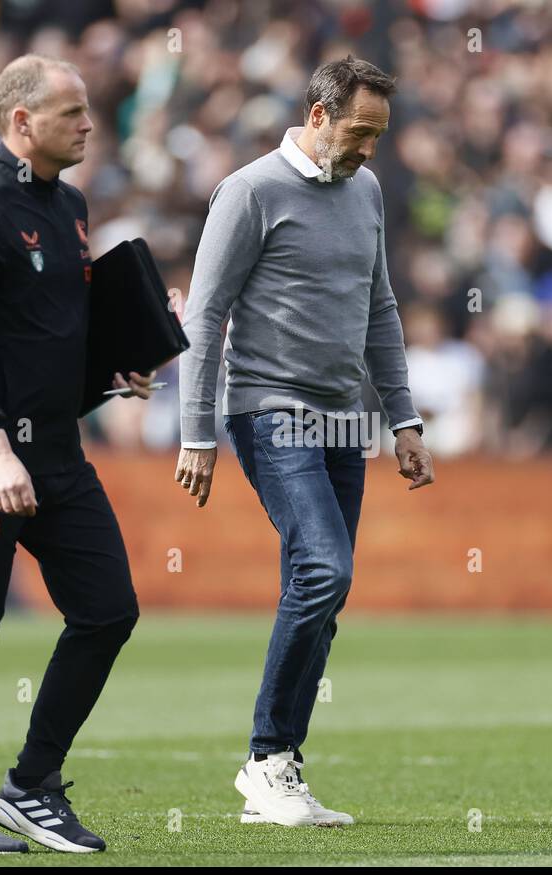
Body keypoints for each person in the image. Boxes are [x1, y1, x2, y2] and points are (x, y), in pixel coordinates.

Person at [175, 55, 435, 827]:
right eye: (360, 132)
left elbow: (380, 308)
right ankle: (264, 762)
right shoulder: (248, 192)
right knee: (324, 568)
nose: (369, 149)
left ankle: (279, 766)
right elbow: (204, 315)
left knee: (323, 592)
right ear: (317, 115)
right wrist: (195, 433)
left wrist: (404, 418)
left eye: (380, 136)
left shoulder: (367, 190)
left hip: (346, 420)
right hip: (271, 411)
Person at [0, 54, 156, 854]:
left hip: (55, 451)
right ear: (22, 122)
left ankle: (29, 786)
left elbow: (50, 330)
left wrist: (113, 364)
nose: (90, 123)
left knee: (109, 609)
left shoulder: (72, 206)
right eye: (73, 112)